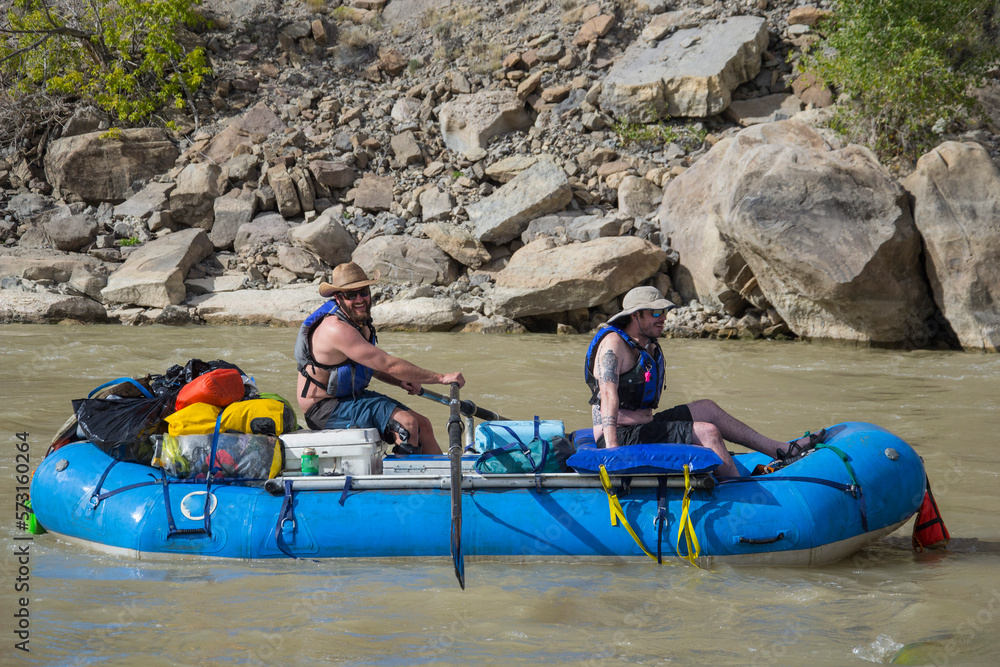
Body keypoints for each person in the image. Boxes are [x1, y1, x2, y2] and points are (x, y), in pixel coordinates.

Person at [584, 285, 826, 477]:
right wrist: (613, 453)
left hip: (643, 426)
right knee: (708, 433)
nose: (663, 318)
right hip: (619, 435)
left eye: (665, 312)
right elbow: (607, 395)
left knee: (706, 408)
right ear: (635, 316)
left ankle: (779, 449)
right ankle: (739, 489)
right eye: (656, 312)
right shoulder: (613, 345)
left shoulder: (645, 343)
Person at [295, 262, 465, 455]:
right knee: (406, 425)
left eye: (364, 292)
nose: (360, 299)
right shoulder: (336, 328)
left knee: (423, 425)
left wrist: (401, 381)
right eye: (351, 295)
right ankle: (410, 482)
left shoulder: (359, 321)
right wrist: (441, 378)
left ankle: (444, 479)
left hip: (349, 399)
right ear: (338, 297)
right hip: (324, 410)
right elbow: (388, 364)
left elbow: (372, 366)